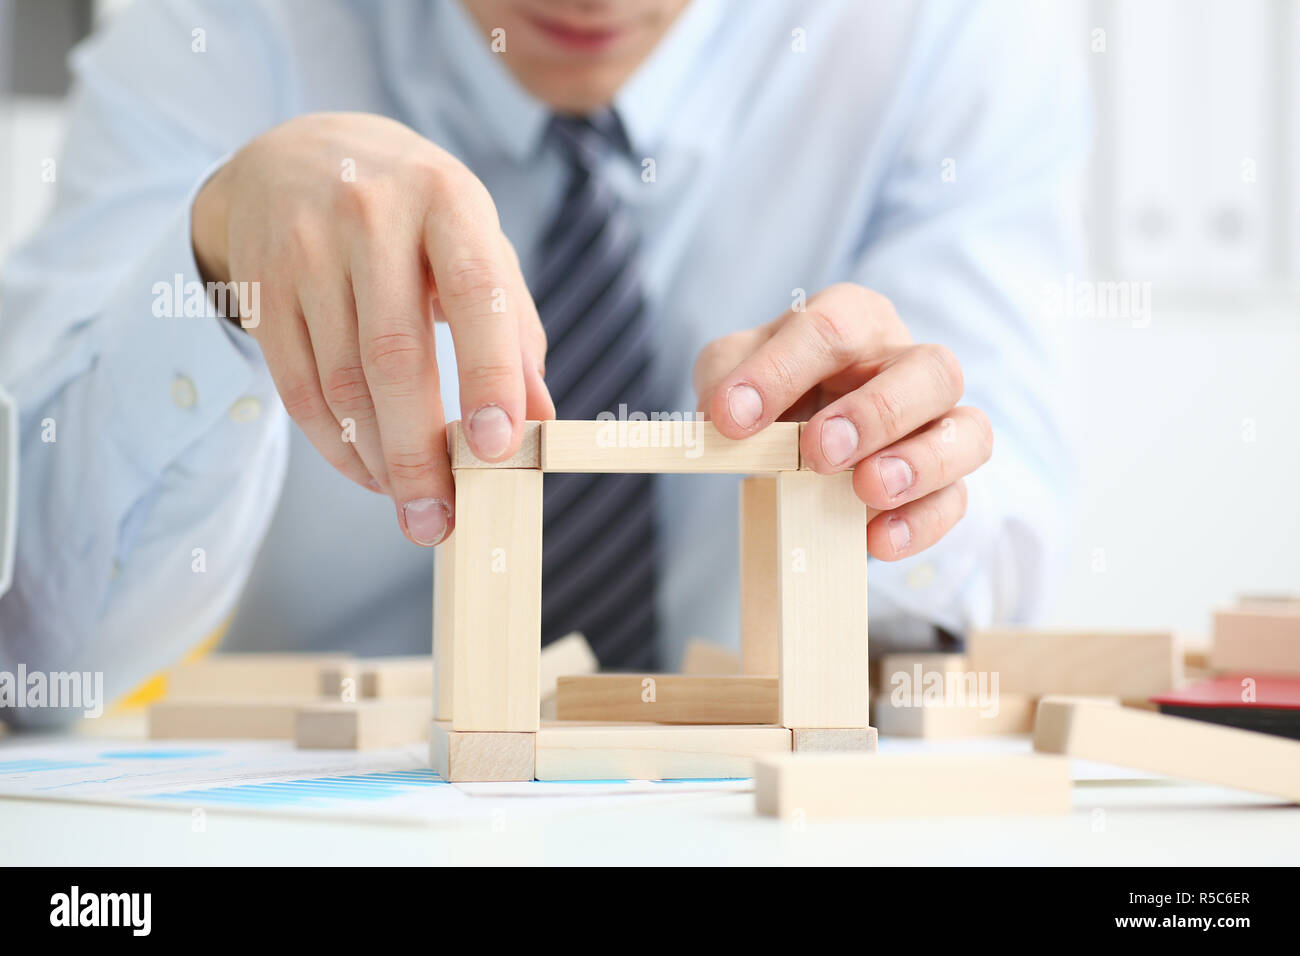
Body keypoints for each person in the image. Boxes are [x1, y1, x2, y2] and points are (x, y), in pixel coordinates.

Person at [0, 0, 1085, 724]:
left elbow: (988, 567)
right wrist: (210, 275)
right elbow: (31, 655)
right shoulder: (217, 27)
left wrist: (891, 483)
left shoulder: (952, 32)